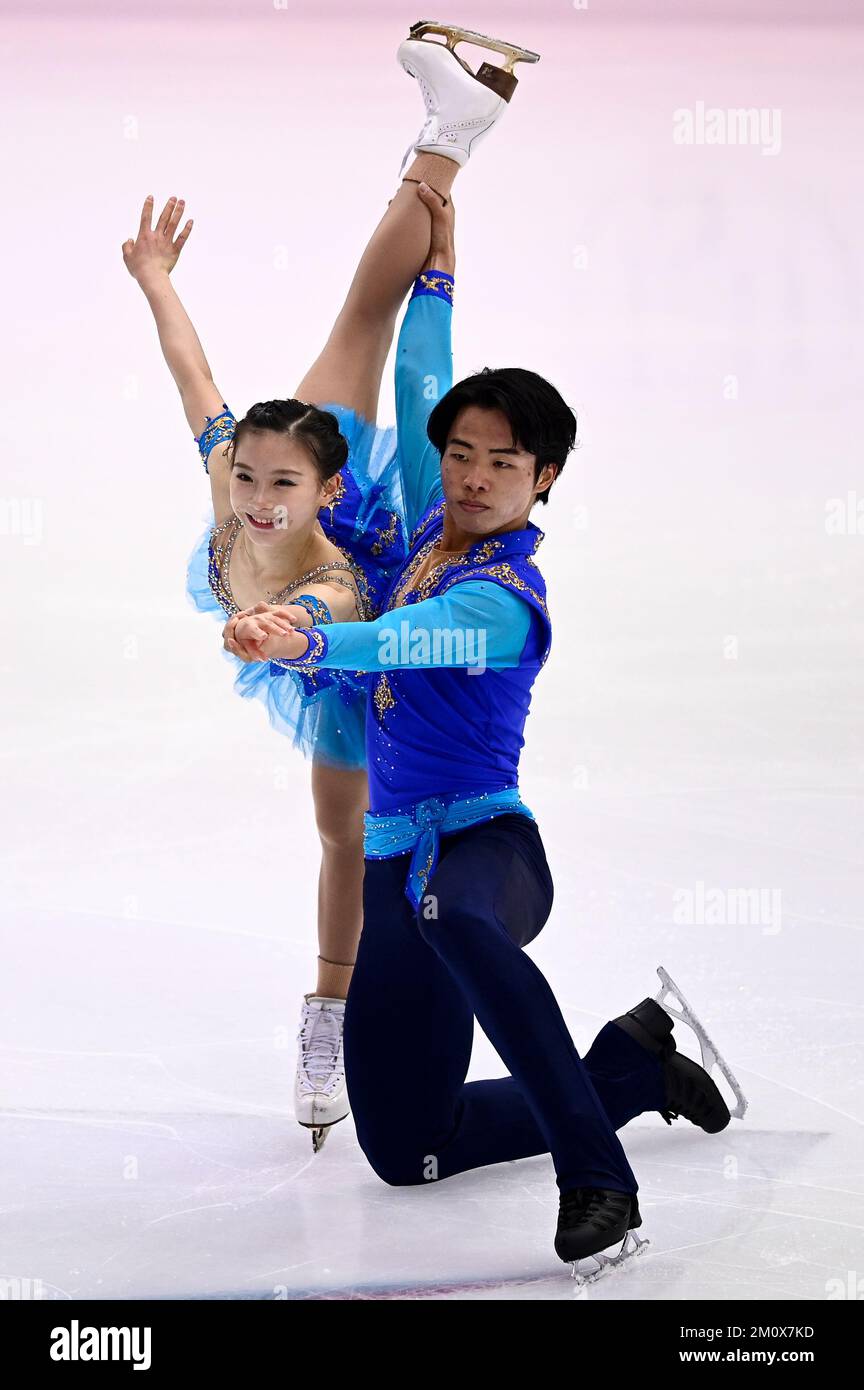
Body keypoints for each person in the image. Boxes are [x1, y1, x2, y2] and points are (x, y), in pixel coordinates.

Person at [221, 244, 743, 1271]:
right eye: (460, 453)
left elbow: (407, 640)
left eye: (503, 462)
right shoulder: (429, 528)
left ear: (543, 479)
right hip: (389, 869)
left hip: (487, 853)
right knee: (407, 1150)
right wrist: (436, 276)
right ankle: (630, 1070)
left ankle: (599, 1180)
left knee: (451, 910)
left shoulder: (501, 600)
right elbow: (425, 378)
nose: (472, 475)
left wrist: (307, 638)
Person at [121, 20, 543, 1151]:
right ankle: (453, 130)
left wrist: (277, 621)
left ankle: (328, 1006)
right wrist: (157, 279)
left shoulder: (335, 572)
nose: (255, 502)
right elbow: (194, 374)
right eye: (248, 478)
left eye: (277, 485)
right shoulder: (245, 472)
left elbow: (329, 615)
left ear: (322, 484)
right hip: (320, 481)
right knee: (365, 316)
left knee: (342, 834)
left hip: (349, 606)